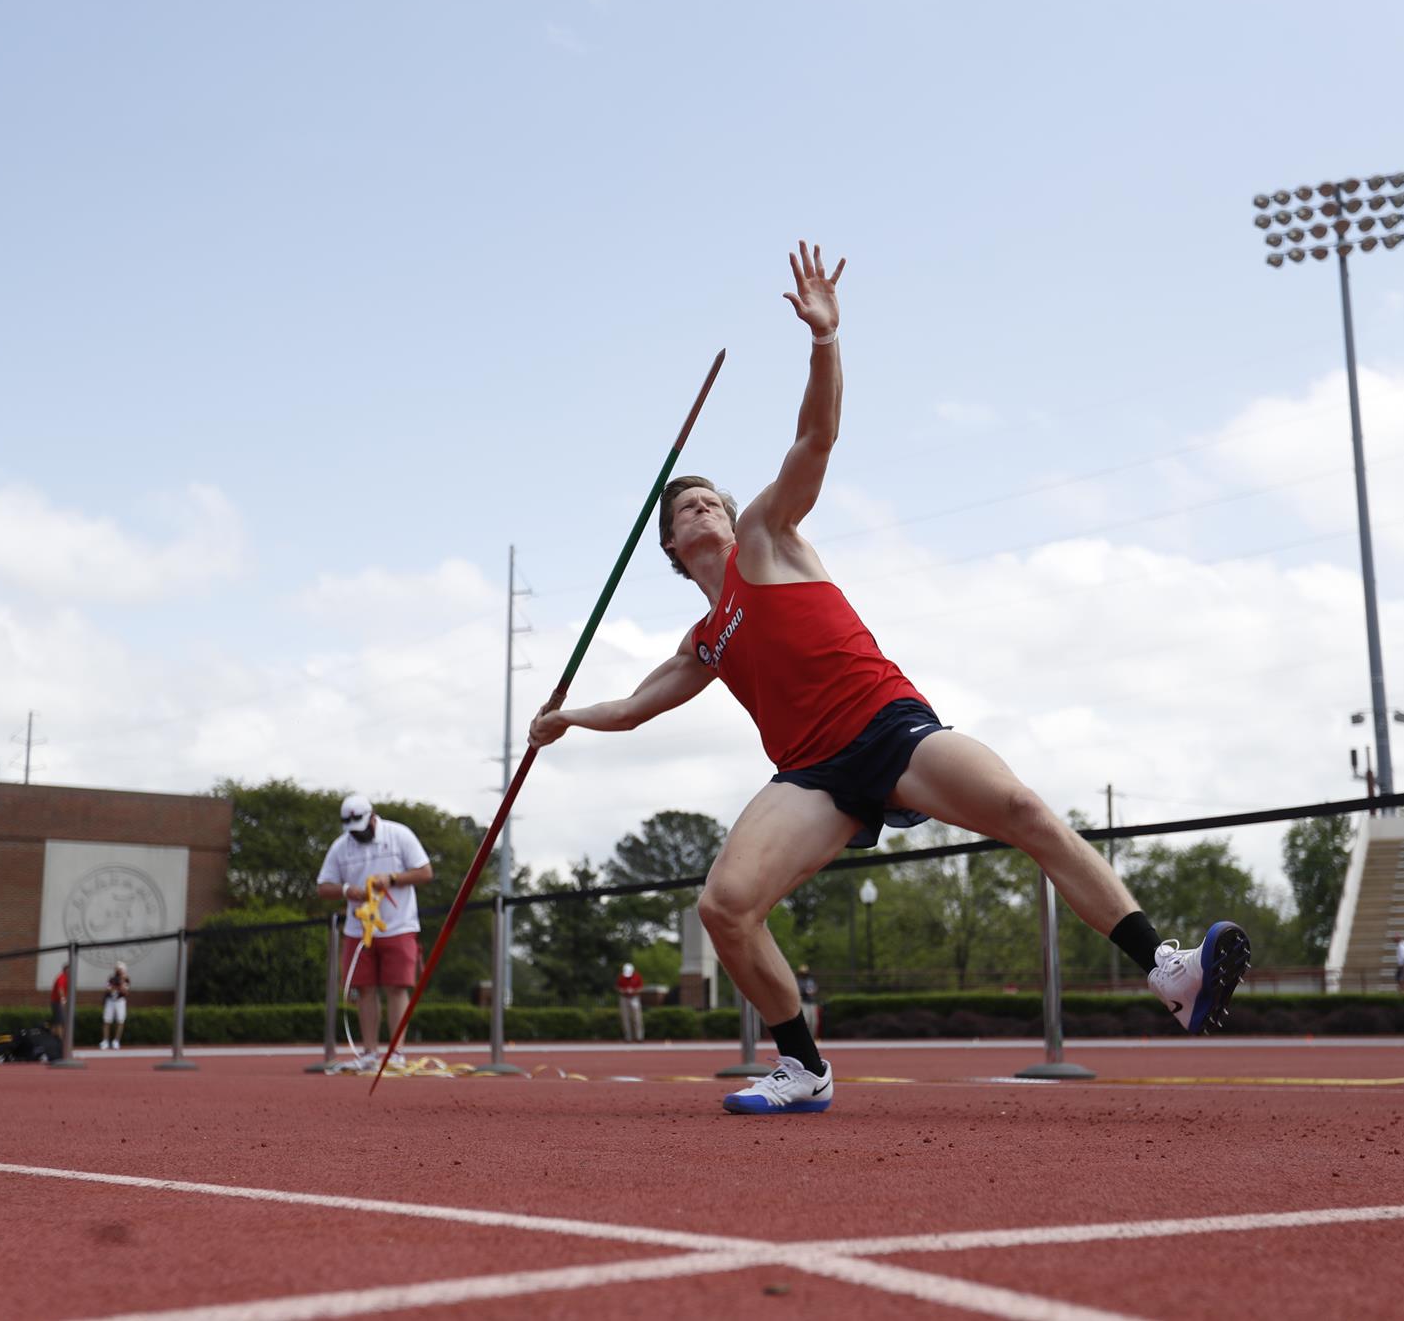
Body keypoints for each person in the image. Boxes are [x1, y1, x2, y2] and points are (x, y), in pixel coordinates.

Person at [531, 242, 1251, 1115]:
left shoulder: (767, 533)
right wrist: (564, 717)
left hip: (888, 727)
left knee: (1024, 811)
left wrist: (825, 341)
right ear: (673, 549)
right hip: (813, 776)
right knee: (724, 906)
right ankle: (803, 1066)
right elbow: (637, 706)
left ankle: (1167, 971)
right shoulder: (703, 640)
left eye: (709, 498)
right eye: (686, 510)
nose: (705, 508)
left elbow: (816, 437)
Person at [316, 793, 433, 1072]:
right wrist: (347, 891)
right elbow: (323, 886)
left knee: (397, 987)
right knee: (363, 988)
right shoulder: (341, 847)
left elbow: (425, 872)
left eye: (362, 829)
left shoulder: (399, 835)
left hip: (399, 925)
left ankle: (396, 1052)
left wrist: (391, 879)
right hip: (359, 929)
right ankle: (369, 1053)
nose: (358, 835)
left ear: (372, 817)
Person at [99, 961, 130, 1050]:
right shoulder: (111, 978)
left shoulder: (126, 979)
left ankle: (116, 1041)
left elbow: (125, 992)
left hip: (120, 1002)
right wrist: (115, 987)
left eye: (120, 969)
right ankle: (105, 1041)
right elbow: (108, 989)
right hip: (110, 1001)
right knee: (107, 1020)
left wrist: (121, 982)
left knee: (120, 1021)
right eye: (117, 969)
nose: (118, 971)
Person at [615, 961, 646, 1042]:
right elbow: (618, 988)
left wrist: (634, 991)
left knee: (637, 1018)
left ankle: (639, 1037)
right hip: (624, 998)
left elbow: (641, 988)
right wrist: (624, 991)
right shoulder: (621, 977)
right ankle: (628, 1037)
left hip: (635, 998)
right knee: (625, 1018)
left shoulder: (637, 977)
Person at [796, 963, 820, 1035]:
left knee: (814, 1022)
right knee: (806, 1021)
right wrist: (806, 992)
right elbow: (799, 991)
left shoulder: (810, 980)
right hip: (804, 1003)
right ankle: (803, 1037)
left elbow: (815, 988)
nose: (804, 974)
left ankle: (811, 1038)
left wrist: (813, 991)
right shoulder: (798, 981)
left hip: (812, 1003)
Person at [49, 964, 70, 1038]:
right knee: (60, 1021)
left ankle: (51, 1038)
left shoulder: (67, 978)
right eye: (69, 970)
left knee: (57, 1021)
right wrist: (63, 1000)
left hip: (57, 1002)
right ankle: (61, 1040)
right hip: (56, 1002)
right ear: (65, 970)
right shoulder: (62, 977)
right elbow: (60, 989)